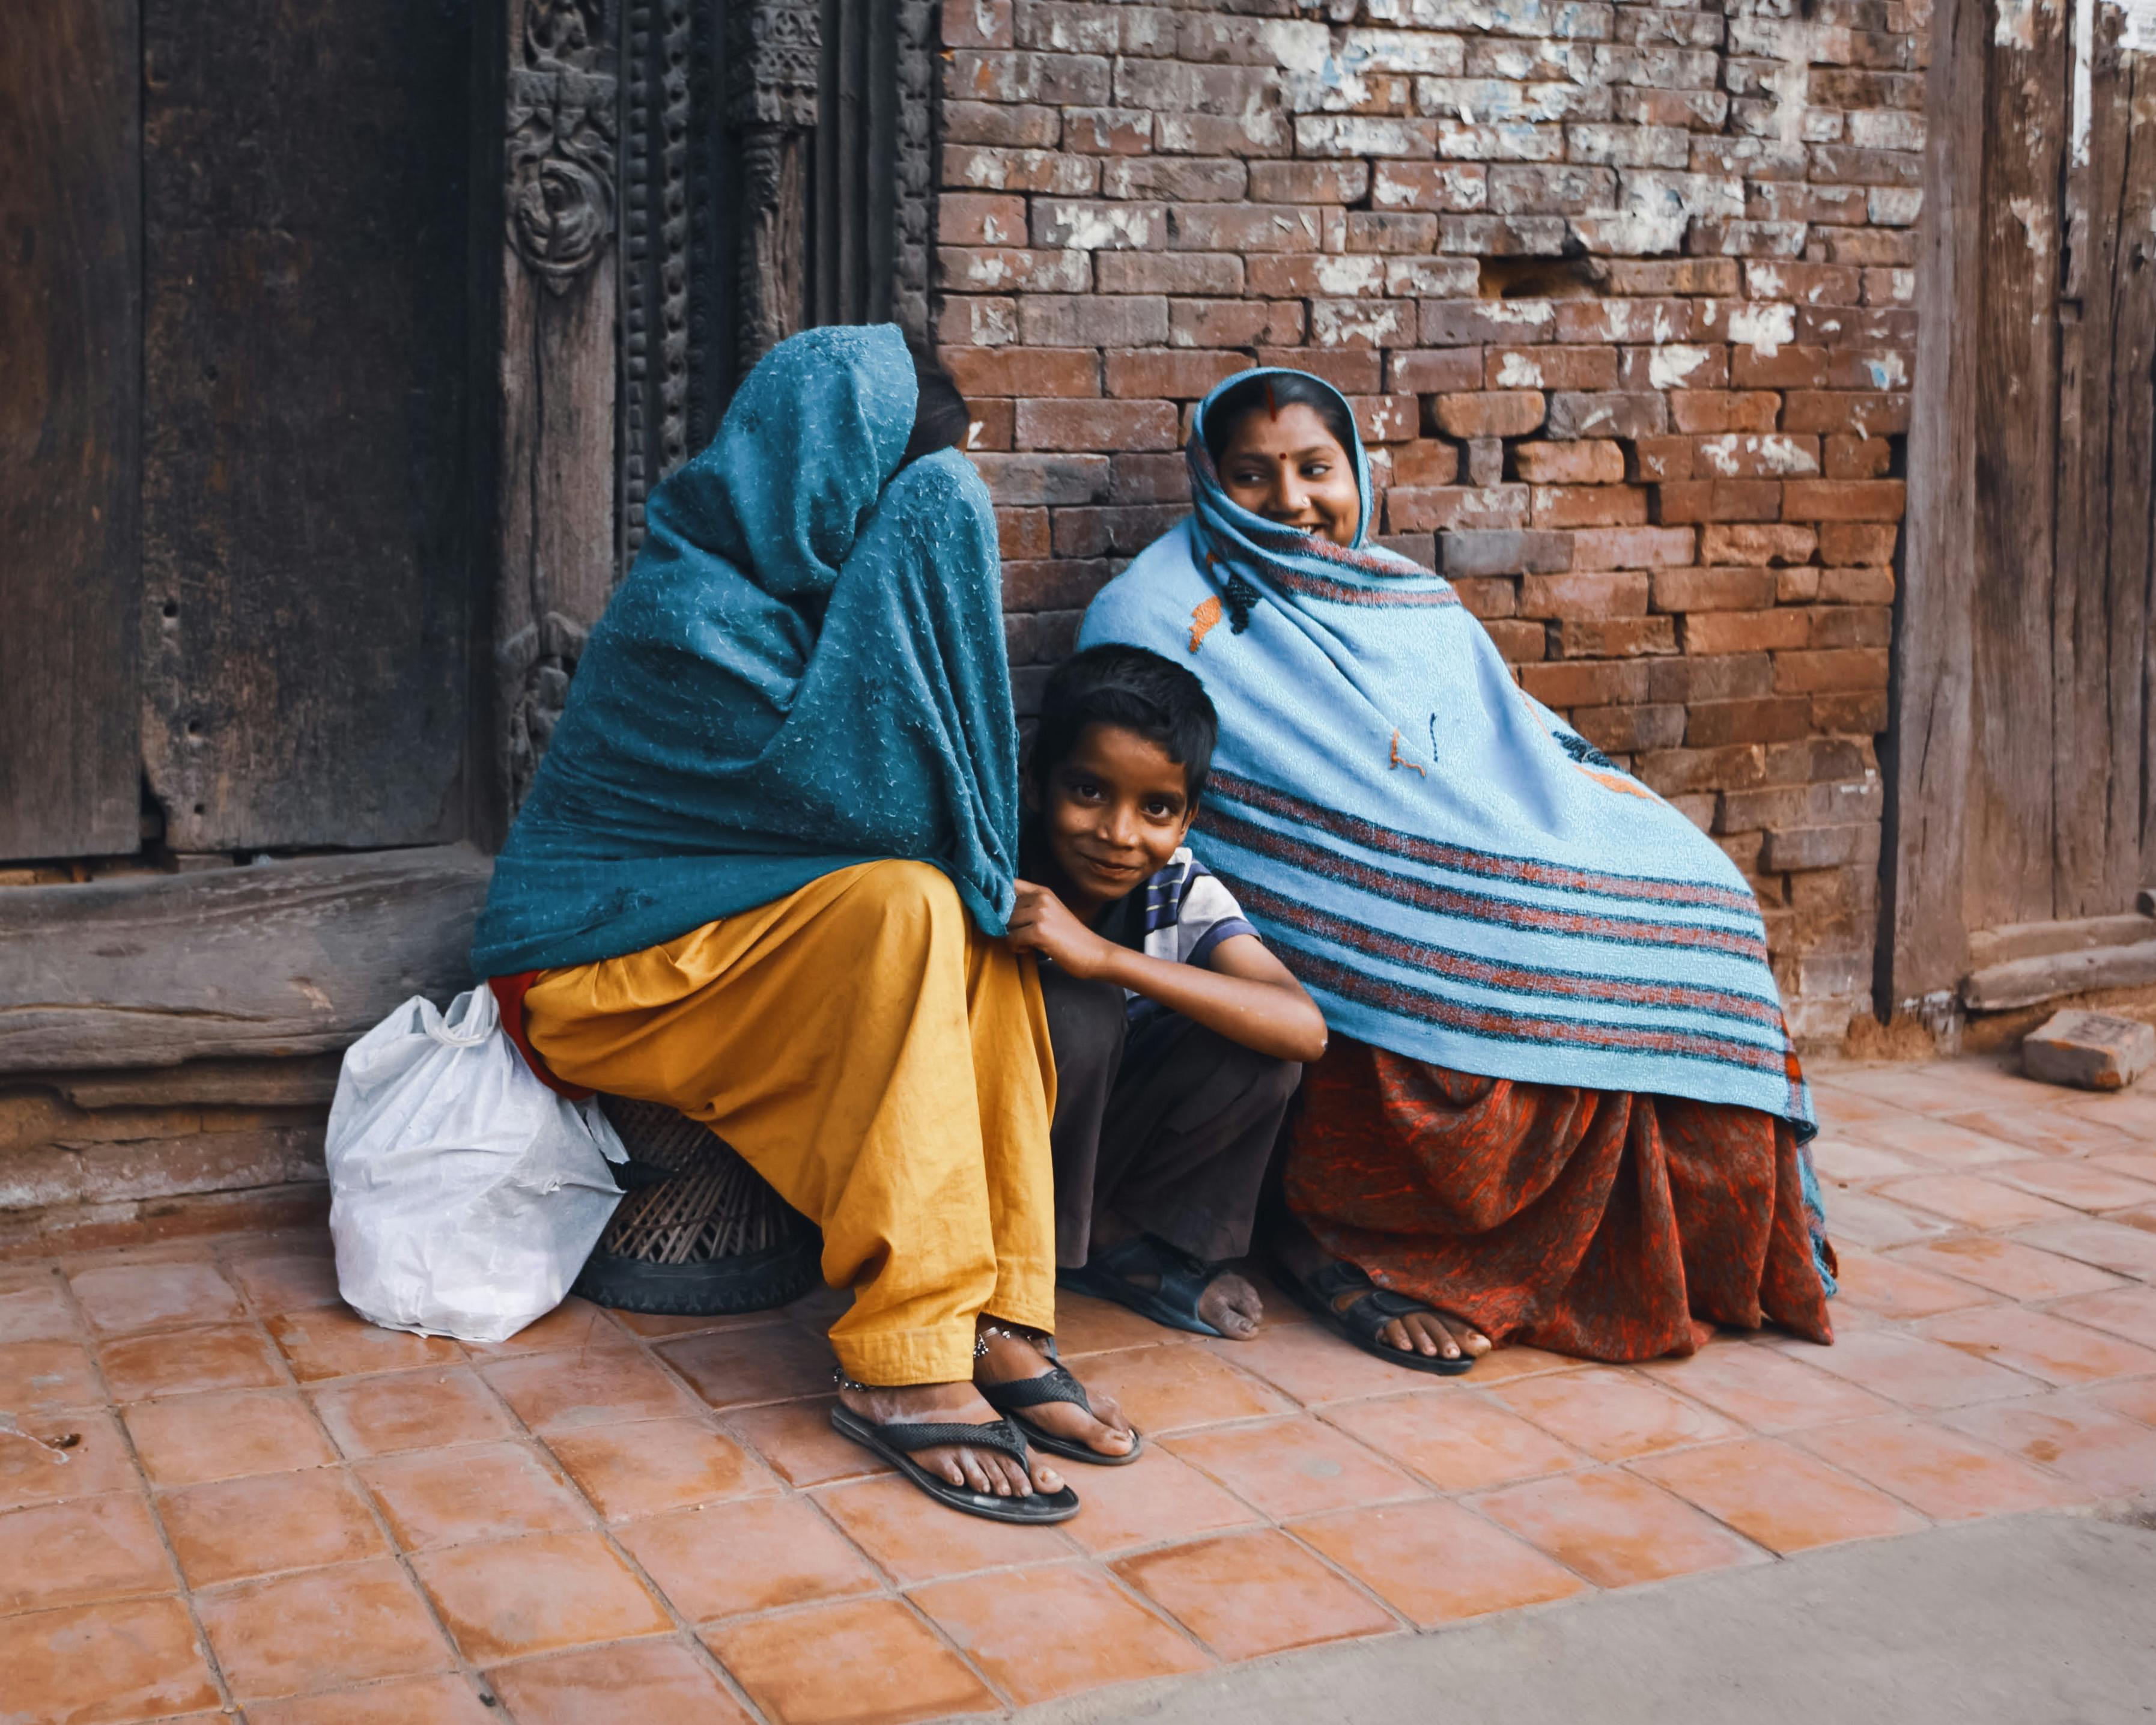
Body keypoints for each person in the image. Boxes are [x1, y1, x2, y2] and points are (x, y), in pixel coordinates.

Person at [471, 325, 1134, 1523]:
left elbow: (932, 831)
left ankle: (999, 1311)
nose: (931, 517)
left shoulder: (826, 615)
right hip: (591, 972)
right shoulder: (687, 608)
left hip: (731, 946)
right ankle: (902, 1358)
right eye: (916, 486)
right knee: (909, 903)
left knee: (968, 920)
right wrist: (928, 540)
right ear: (837, 476)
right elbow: (876, 808)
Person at [1077, 368, 1836, 1372]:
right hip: (1342, 894)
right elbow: (1232, 807)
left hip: (1488, 830)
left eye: (1315, 469)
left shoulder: (1405, 593)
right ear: (1208, 484)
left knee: (1705, 901)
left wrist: (1583, 823)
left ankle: (1701, 1255)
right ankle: (1362, 1244)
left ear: (1357, 474)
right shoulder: (1157, 610)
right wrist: (1467, 867)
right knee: (1510, 930)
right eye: (1251, 475)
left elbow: (1503, 733)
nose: (1291, 501)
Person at [1003, 645, 1326, 1343]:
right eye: (1088, 792)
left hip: (1100, 1154)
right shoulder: (1001, 865)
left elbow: (1304, 1029)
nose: (1119, 835)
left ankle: (1117, 1243)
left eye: (1155, 808)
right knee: (1078, 1010)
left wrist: (1106, 958)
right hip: (991, 1164)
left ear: (1185, 822)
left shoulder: (1174, 887)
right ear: (1036, 784)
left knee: (1259, 1054)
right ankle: (1029, 1269)